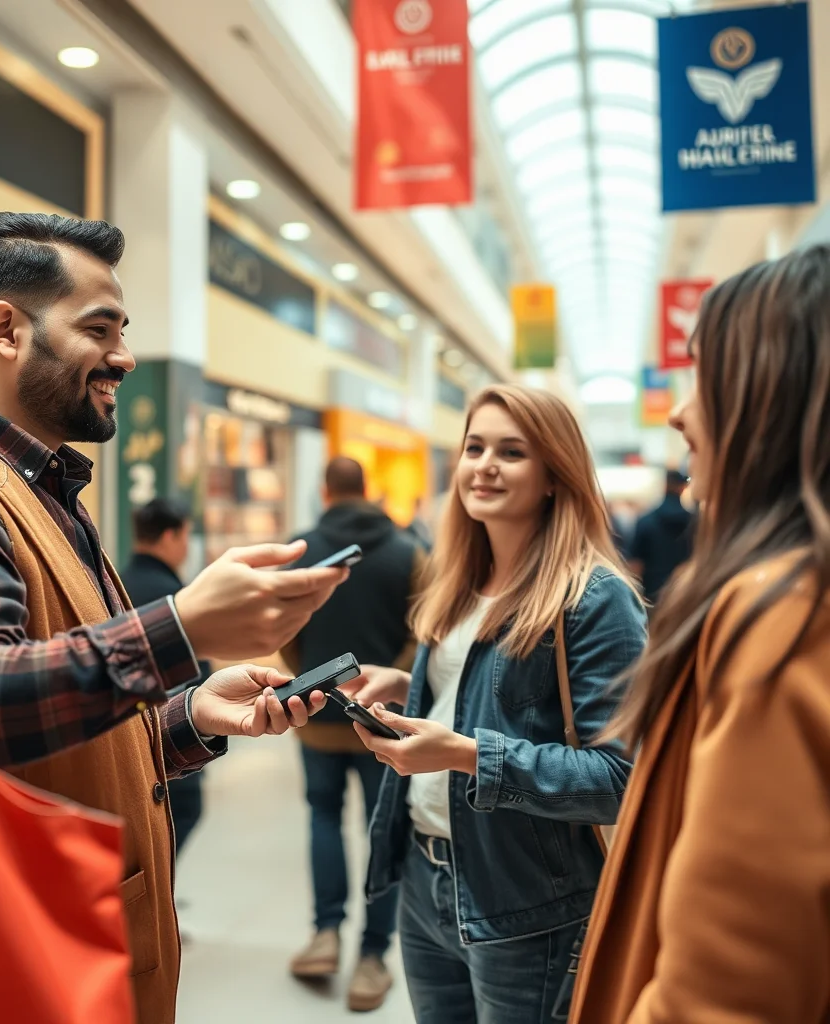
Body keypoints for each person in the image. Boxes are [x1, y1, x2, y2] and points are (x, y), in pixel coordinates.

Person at [0, 212, 347, 1024]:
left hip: (75, 951)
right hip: (4, 962)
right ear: (4, 329)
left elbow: (53, 733)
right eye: (98, 328)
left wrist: (183, 717)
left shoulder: (41, 490)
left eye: (124, 329)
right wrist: (183, 631)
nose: (125, 355)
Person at [570, 248, 830, 1023]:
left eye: (703, 379)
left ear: (769, 403)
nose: (679, 412)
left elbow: (725, 991)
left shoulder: (780, 620)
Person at [341, 384, 647, 1024]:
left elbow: (617, 778)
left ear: (554, 477)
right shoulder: (459, 580)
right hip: (426, 879)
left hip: (528, 901)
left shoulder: (594, 598)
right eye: (474, 446)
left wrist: (460, 752)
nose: (484, 465)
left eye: (511, 452)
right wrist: (409, 686)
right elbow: (487, 693)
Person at [281, 456, 425, 1013]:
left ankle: (325, 935)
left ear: (325, 490)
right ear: (366, 491)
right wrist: (378, 682)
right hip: (380, 722)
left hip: (316, 713)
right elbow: (426, 630)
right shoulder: (410, 551)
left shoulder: (300, 548)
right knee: (381, 830)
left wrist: (315, 679)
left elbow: (285, 629)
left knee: (322, 816)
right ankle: (371, 959)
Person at [121, 497, 209, 859]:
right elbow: (196, 676)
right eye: (186, 535)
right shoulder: (176, 598)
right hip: (168, 733)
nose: (187, 546)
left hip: (120, 735)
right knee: (181, 814)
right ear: (170, 536)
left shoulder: (112, 583)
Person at [628, 469, 694, 605]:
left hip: (653, 594)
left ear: (664, 486)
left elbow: (635, 565)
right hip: (685, 593)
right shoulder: (694, 522)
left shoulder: (646, 521)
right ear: (682, 488)